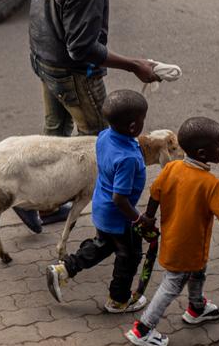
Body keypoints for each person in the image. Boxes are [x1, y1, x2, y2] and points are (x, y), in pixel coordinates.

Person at [21, 0, 159, 231]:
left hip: (45, 61)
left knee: (55, 133)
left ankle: (38, 201)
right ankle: (108, 219)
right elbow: (82, 47)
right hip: (74, 74)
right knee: (102, 141)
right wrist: (134, 65)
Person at [125, 117, 219, 346]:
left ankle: (196, 307)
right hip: (189, 247)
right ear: (204, 153)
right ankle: (143, 328)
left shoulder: (172, 168)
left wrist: (149, 218)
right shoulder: (209, 183)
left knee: (198, 273)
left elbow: (155, 194)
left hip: (174, 240)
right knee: (171, 286)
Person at [45, 90, 153, 312]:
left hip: (101, 209)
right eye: (143, 119)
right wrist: (139, 219)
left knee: (102, 246)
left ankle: (63, 270)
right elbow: (120, 198)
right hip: (120, 218)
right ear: (133, 127)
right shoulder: (128, 158)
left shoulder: (105, 135)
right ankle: (119, 300)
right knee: (129, 256)